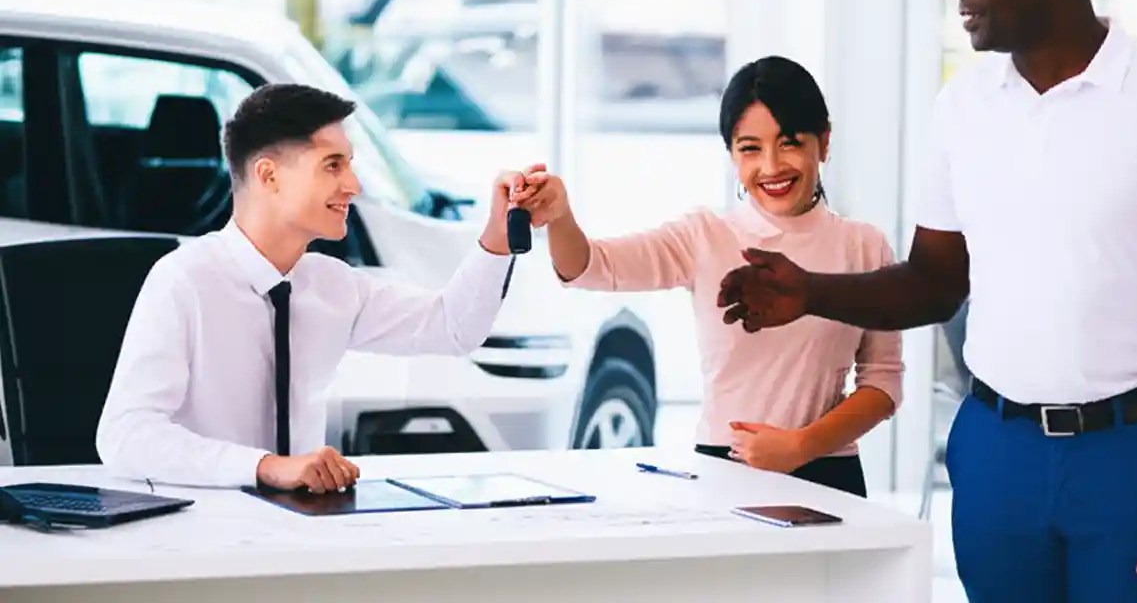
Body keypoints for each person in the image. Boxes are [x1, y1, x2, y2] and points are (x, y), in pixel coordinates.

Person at [717, 0, 1137, 601]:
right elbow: (935, 281)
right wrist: (812, 292)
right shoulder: (963, 108)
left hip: (1129, 454)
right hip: (998, 453)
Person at [97, 83, 538, 493]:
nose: (354, 185)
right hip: (205, 535)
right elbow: (125, 435)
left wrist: (498, 235)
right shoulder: (183, 281)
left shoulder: (331, 285)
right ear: (269, 176)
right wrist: (265, 466)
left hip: (304, 531)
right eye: (333, 165)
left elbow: (454, 328)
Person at [511, 56, 903, 497]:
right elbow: (589, 267)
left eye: (790, 142)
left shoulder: (865, 246)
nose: (771, 166)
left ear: (824, 142)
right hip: (725, 472)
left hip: (830, 474)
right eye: (750, 148)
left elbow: (883, 383)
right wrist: (560, 217)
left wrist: (801, 446)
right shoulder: (705, 236)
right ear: (732, 155)